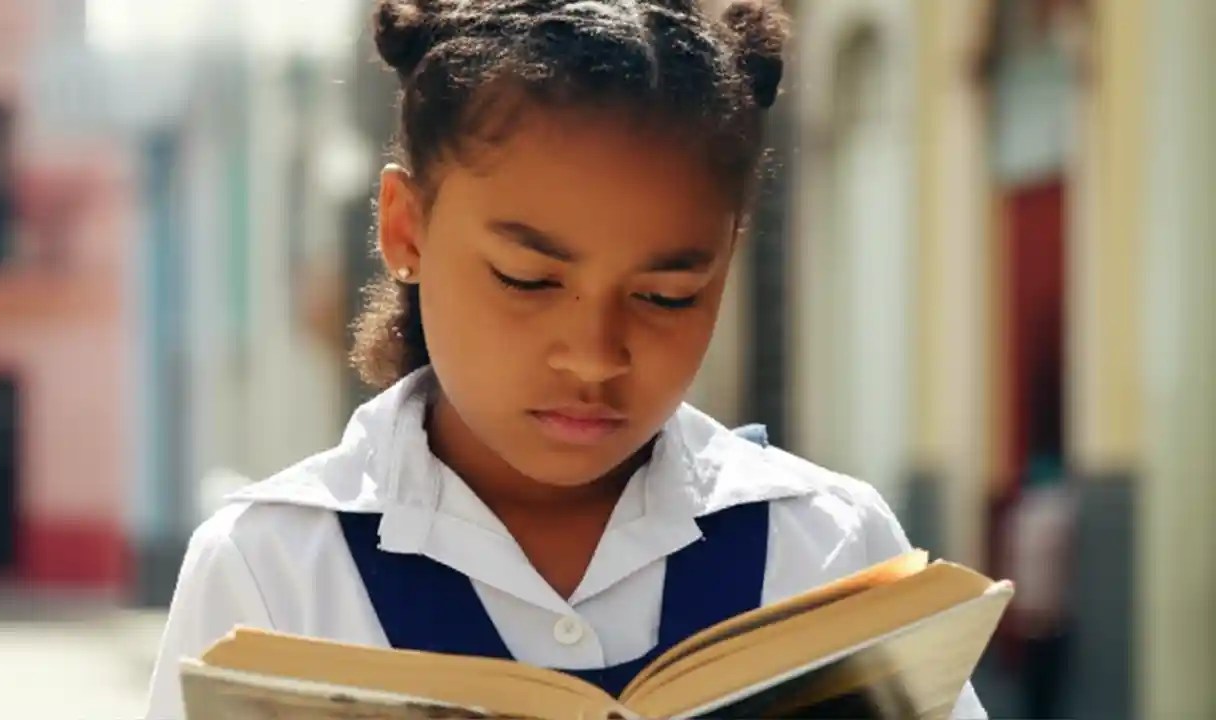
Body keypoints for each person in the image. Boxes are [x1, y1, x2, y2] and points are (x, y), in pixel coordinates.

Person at [144, 1, 988, 717]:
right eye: (528, 279)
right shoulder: (273, 570)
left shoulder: (827, 550)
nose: (594, 356)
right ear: (405, 229)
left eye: (666, 295)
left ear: (727, 261)